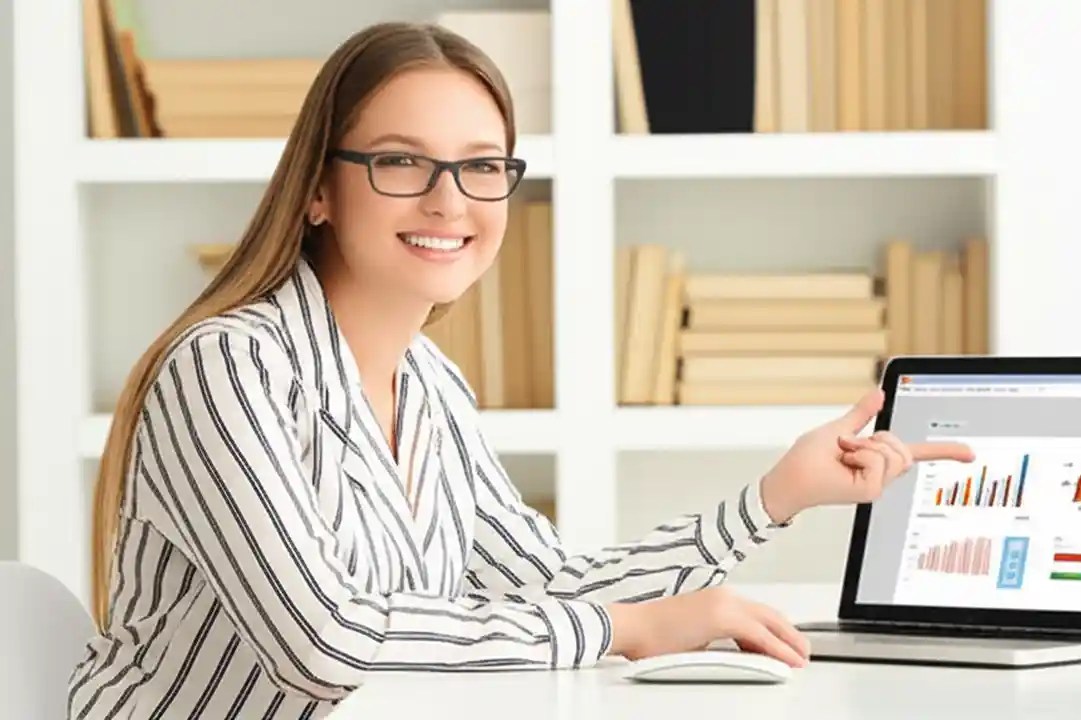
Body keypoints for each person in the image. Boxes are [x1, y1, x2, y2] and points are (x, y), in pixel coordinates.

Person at [66, 21, 975, 719]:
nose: (448, 201)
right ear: (318, 190)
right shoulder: (228, 368)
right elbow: (324, 642)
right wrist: (626, 631)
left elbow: (553, 584)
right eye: (400, 162)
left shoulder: (431, 386)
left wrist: (778, 496)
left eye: (481, 167)